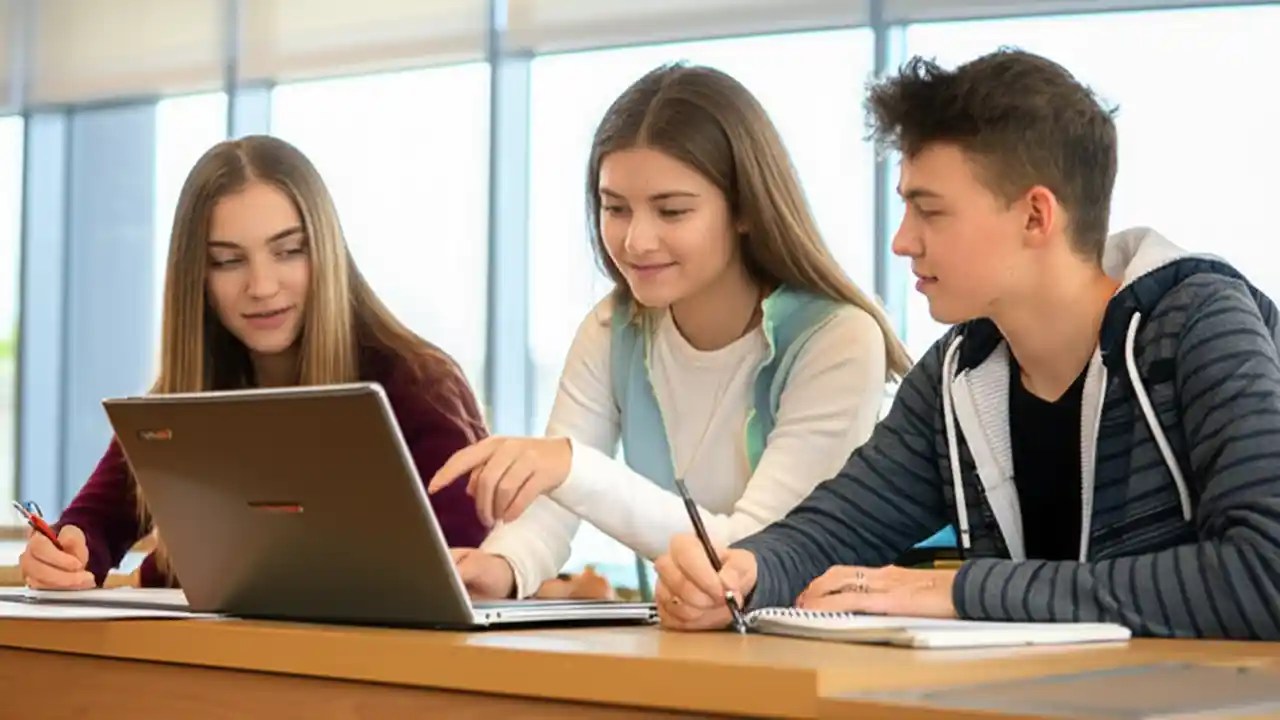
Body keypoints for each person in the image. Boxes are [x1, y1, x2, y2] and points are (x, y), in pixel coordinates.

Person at [654, 48, 1280, 640]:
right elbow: (836, 528)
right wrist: (742, 572)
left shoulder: (1198, 322)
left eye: (930, 211)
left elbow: (1266, 574)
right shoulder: (962, 369)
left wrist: (960, 592)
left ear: (1036, 216)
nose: (902, 240)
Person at [430, 63, 914, 600]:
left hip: (812, 649)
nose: (636, 240)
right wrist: (502, 563)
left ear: (745, 210)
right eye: (615, 208)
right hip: (686, 640)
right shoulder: (614, 329)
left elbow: (752, 553)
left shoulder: (837, 339)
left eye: (672, 211)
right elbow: (550, 512)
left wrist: (572, 467)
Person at [18, 135, 488, 589]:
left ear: (324, 251)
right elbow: (89, 531)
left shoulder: (419, 384)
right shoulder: (181, 399)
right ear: (197, 278)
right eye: (227, 261)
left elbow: (460, 564)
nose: (262, 286)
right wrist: (64, 553)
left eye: (288, 251)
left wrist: (176, 564)